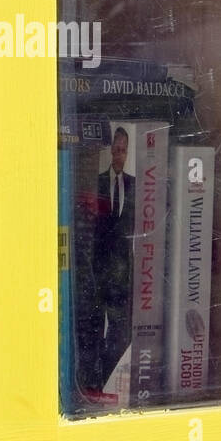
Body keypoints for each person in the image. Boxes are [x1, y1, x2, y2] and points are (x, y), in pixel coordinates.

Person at [87, 126, 135, 396]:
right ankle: (94, 379)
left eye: (123, 150)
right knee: (96, 326)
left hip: (124, 271)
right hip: (99, 268)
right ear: (110, 151)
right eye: (116, 150)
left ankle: (111, 379)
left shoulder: (135, 184)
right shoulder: (96, 182)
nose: (119, 155)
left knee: (119, 330)